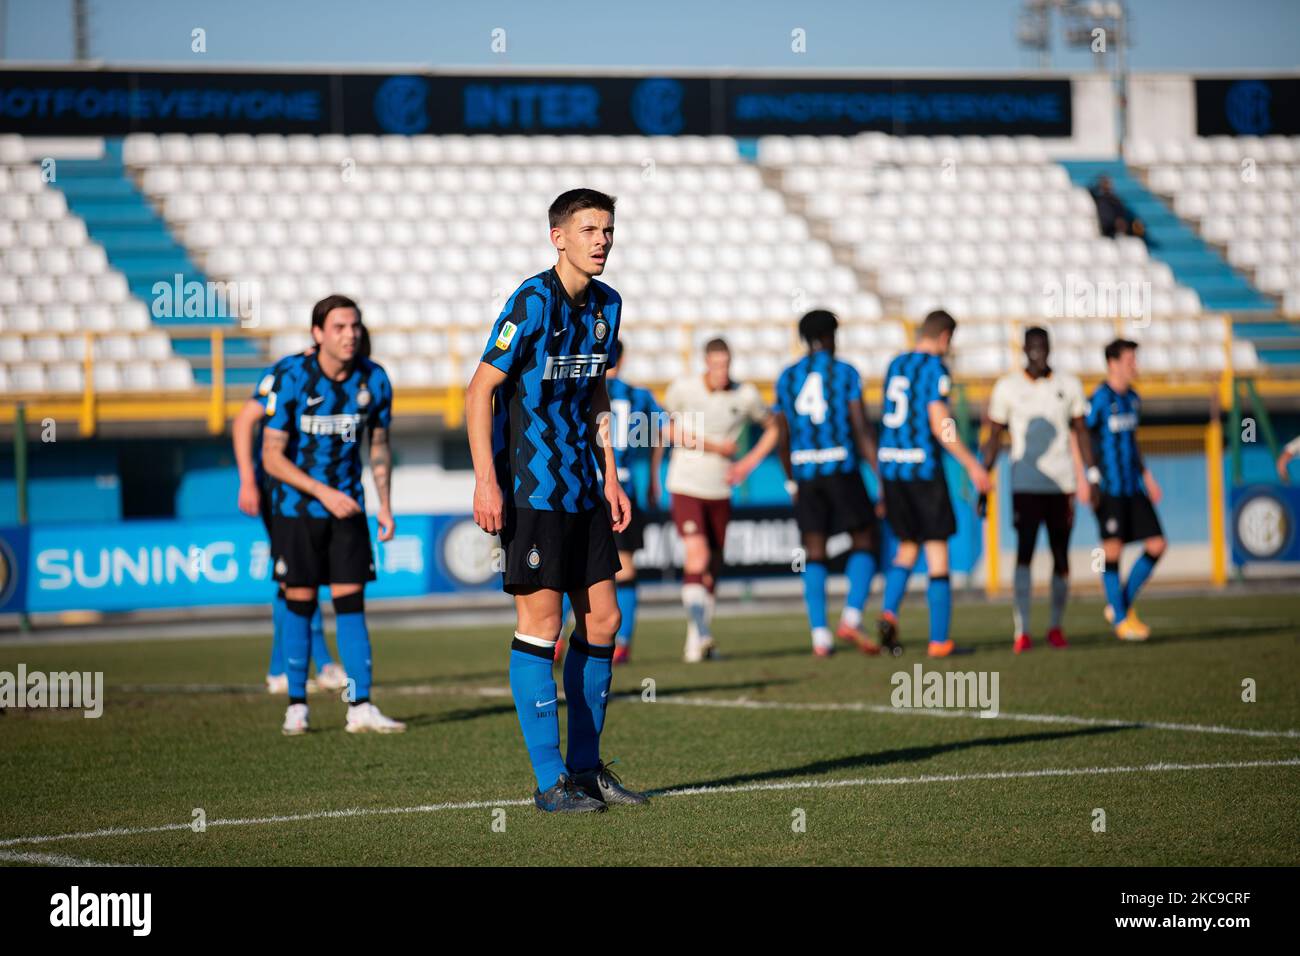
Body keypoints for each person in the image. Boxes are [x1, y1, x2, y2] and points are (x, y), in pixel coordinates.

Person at [466, 188, 648, 814]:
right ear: (558, 237)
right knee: (541, 628)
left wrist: (612, 475)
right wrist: (486, 479)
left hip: (583, 489)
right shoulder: (531, 301)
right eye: (590, 229)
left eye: (608, 229)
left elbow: (596, 393)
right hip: (532, 490)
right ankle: (549, 783)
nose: (602, 239)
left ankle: (587, 768)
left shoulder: (608, 306)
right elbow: (478, 390)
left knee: (604, 622)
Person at [261, 295, 405, 733]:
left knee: (351, 605)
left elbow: (378, 446)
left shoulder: (374, 379)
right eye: (340, 327)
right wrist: (322, 492)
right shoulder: (291, 376)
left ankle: (360, 708)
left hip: (348, 512)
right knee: (300, 604)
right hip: (297, 511)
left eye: (355, 326)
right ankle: (296, 707)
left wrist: (385, 504)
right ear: (318, 333)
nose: (350, 335)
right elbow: (271, 456)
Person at [731, 309, 883, 657]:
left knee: (814, 550)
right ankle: (852, 616)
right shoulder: (844, 373)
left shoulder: (787, 377)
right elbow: (860, 427)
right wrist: (878, 473)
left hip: (805, 472)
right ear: (830, 336)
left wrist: (791, 479)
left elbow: (781, 433)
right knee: (865, 538)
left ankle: (820, 635)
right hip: (840, 467)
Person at [875, 310, 991, 657]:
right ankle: (940, 640)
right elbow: (940, 423)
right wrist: (971, 463)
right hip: (922, 470)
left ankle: (888, 611)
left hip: (892, 469)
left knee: (907, 546)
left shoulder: (895, 364)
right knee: (936, 549)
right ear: (944, 338)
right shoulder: (935, 368)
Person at [233, 345, 347, 694]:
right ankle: (310, 666)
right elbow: (244, 420)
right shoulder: (289, 371)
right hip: (283, 492)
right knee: (298, 578)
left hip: (314, 492)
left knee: (299, 579)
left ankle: (284, 668)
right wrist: (248, 481)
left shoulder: (346, 375)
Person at [980, 327, 1100, 653]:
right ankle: (1023, 630)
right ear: (1023, 350)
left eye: (1043, 347)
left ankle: (1056, 626)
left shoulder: (1069, 385)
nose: (1038, 353)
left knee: (1061, 554)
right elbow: (994, 436)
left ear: (1049, 348)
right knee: (1025, 553)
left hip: (1062, 484)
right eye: (1032, 347)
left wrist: (1092, 474)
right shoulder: (1007, 387)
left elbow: (1082, 432)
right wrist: (983, 478)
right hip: (1026, 484)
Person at [661, 338, 772, 662]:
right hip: (686, 484)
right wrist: (713, 447)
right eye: (716, 364)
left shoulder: (745, 395)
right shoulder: (683, 389)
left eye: (726, 364)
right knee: (696, 554)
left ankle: (696, 640)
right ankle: (703, 633)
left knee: (712, 565)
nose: (721, 371)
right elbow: (663, 430)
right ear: (706, 362)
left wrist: (747, 464)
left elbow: (773, 427)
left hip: (720, 489)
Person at [1087, 339, 1165, 641]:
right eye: (1130, 359)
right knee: (1112, 549)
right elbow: (1080, 436)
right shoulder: (1099, 399)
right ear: (1113, 363)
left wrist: (1147, 475)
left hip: (1133, 486)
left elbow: (1132, 443)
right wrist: (1088, 478)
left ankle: (1120, 604)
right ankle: (1121, 618)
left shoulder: (1134, 398)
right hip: (1108, 488)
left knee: (1157, 544)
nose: (1135, 365)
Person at [602, 346, 664, 664]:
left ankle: (558, 638)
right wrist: (654, 477)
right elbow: (661, 431)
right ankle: (622, 642)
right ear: (622, 359)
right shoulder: (639, 396)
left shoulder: (583, 387)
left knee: (574, 567)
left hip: (587, 489)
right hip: (624, 490)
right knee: (625, 568)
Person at [1089, 175, 1146, 242]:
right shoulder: (1098, 200)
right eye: (1105, 183)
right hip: (1107, 229)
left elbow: (1123, 214)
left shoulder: (1116, 199)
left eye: (1108, 183)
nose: (1108, 185)